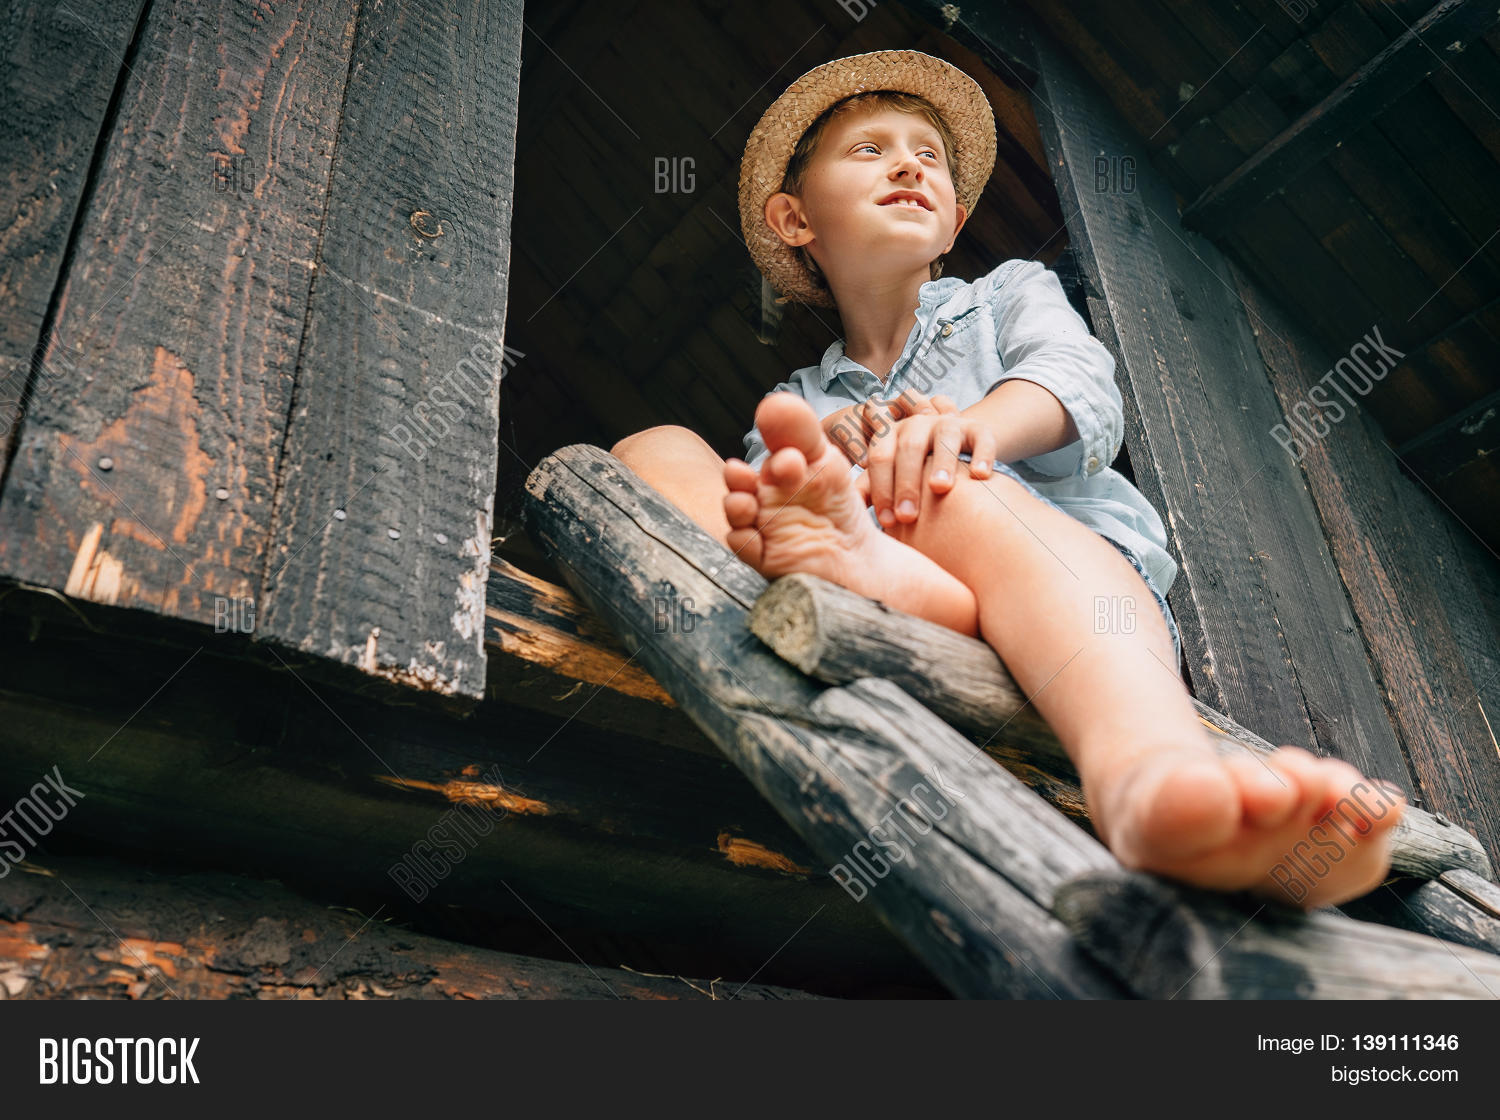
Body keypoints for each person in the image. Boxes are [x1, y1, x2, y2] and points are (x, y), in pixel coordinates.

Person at [612, 50, 1403, 908]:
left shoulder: (1004, 293)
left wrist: (966, 428)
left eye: (931, 158)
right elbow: (762, 499)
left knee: (959, 484)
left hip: (1060, 599)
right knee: (649, 447)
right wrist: (831, 462)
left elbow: (1077, 381)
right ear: (794, 218)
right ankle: (876, 577)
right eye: (870, 150)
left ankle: (1148, 779)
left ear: (952, 225)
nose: (910, 163)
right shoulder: (795, 398)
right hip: (899, 590)